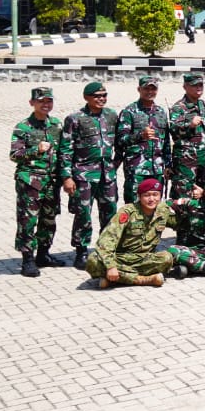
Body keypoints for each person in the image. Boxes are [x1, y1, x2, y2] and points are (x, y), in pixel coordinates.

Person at [59, 80, 119, 269]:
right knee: (83, 213)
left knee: (110, 212)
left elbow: (119, 142)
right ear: (86, 98)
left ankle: (106, 249)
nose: (101, 99)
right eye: (97, 96)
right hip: (84, 175)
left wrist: (114, 164)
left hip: (107, 175)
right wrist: (67, 177)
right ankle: (81, 250)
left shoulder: (111, 115)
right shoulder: (75, 118)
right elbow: (65, 149)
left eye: (104, 96)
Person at [10, 86, 65, 277]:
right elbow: (15, 154)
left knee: (49, 219)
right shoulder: (23, 127)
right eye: (41, 101)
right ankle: (27, 260)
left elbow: (63, 152)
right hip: (30, 181)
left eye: (49, 101)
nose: (46, 104)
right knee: (28, 220)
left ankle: (43, 254)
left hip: (51, 181)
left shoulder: (56, 125)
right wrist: (36, 150)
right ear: (32, 103)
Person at [85, 179, 175, 288]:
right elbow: (106, 240)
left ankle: (115, 280)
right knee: (92, 260)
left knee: (167, 258)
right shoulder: (127, 212)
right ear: (139, 196)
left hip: (143, 259)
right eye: (147, 195)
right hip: (120, 257)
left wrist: (190, 204)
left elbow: (179, 223)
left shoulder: (163, 210)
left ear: (160, 196)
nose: (151, 199)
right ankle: (144, 279)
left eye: (155, 195)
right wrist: (111, 266)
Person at [115, 76, 169, 203]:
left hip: (157, 168)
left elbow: (166, 141)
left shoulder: (161, 112)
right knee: (134, 205)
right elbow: (121, 140)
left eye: (153, 89)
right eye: (146, 88)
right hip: (136, 168)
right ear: (139, 89)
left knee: (155, 205)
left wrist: (168, 164)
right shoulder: (129, 112)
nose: (150, 92)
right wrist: (140, 136)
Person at [168, 73, 205, 201]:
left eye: (200, 85)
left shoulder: (202, 105)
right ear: (185, 87)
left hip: (202, 160)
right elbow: (174, 131)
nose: (198, 88)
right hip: (185, 162)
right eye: (194, 85)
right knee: (183, 197)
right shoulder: (178, 107)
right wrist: (189, 125)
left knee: (202, 196)